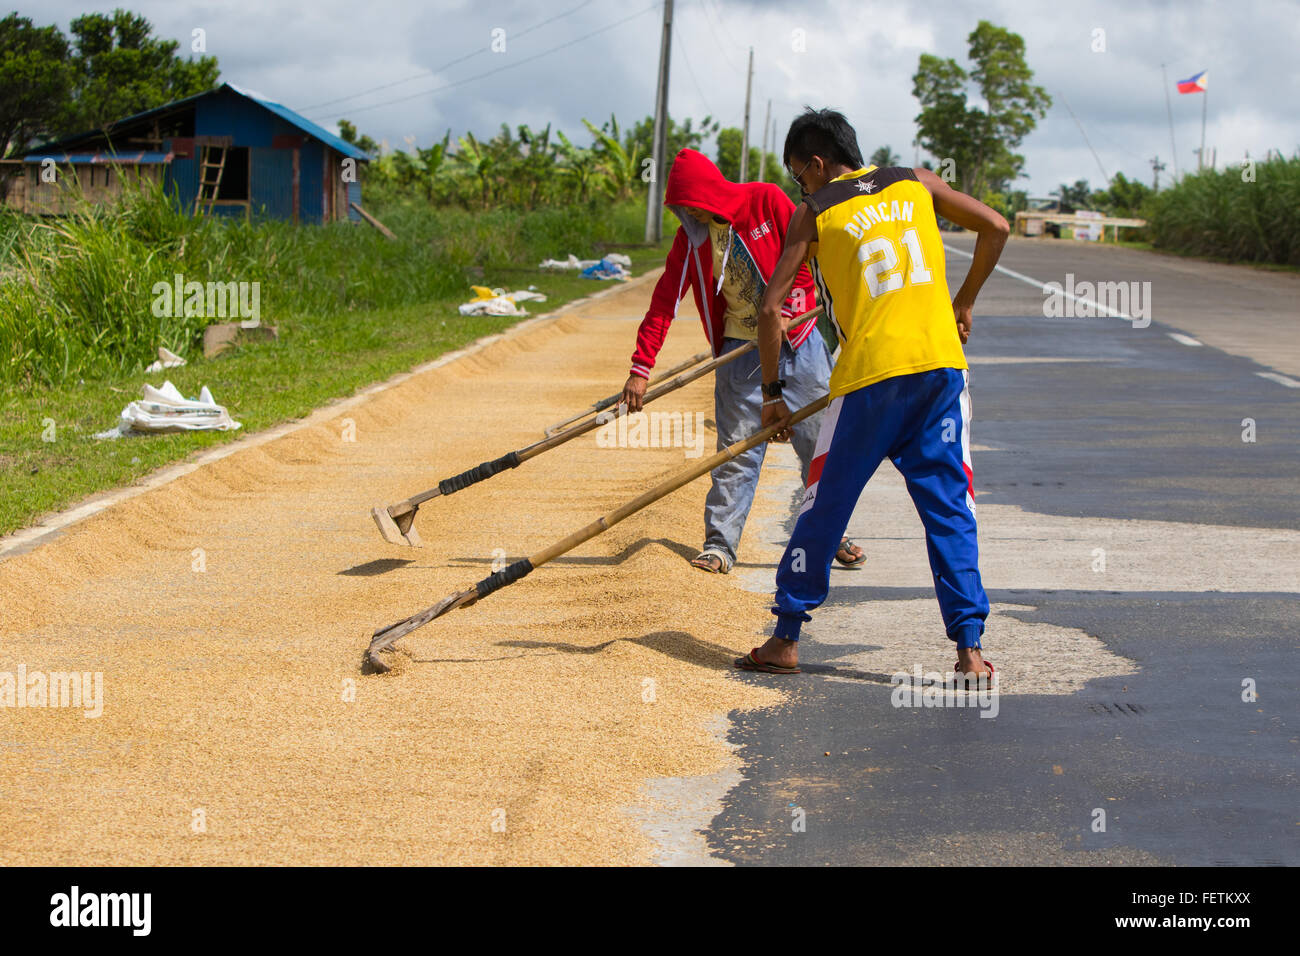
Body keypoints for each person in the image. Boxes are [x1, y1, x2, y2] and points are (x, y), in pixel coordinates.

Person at [740, 108, 1009, 680]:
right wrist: (963, 302)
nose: (799, 188)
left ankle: (786, 638)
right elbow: (997, 227)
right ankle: (970, 652)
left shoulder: (815, 210)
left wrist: (771, 395)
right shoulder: (916, 180)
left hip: (868, 379)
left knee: (824, 506)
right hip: (941, 370)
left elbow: (770, 309)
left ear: (816, 164)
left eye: (798, 176)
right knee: (951, 510)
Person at [620, 147, 865, 574]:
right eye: (681, 209)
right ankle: (720, 545)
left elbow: (808, 251)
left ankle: (832, 533)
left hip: (799, 338)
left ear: (708, 191)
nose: (689, 214)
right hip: (740, 351)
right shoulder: (690, 240)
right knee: (736, 451)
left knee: (818, 443)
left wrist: (792, 304)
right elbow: (663, 304)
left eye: (691, 204)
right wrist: (641, 370)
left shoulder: (766, 200)